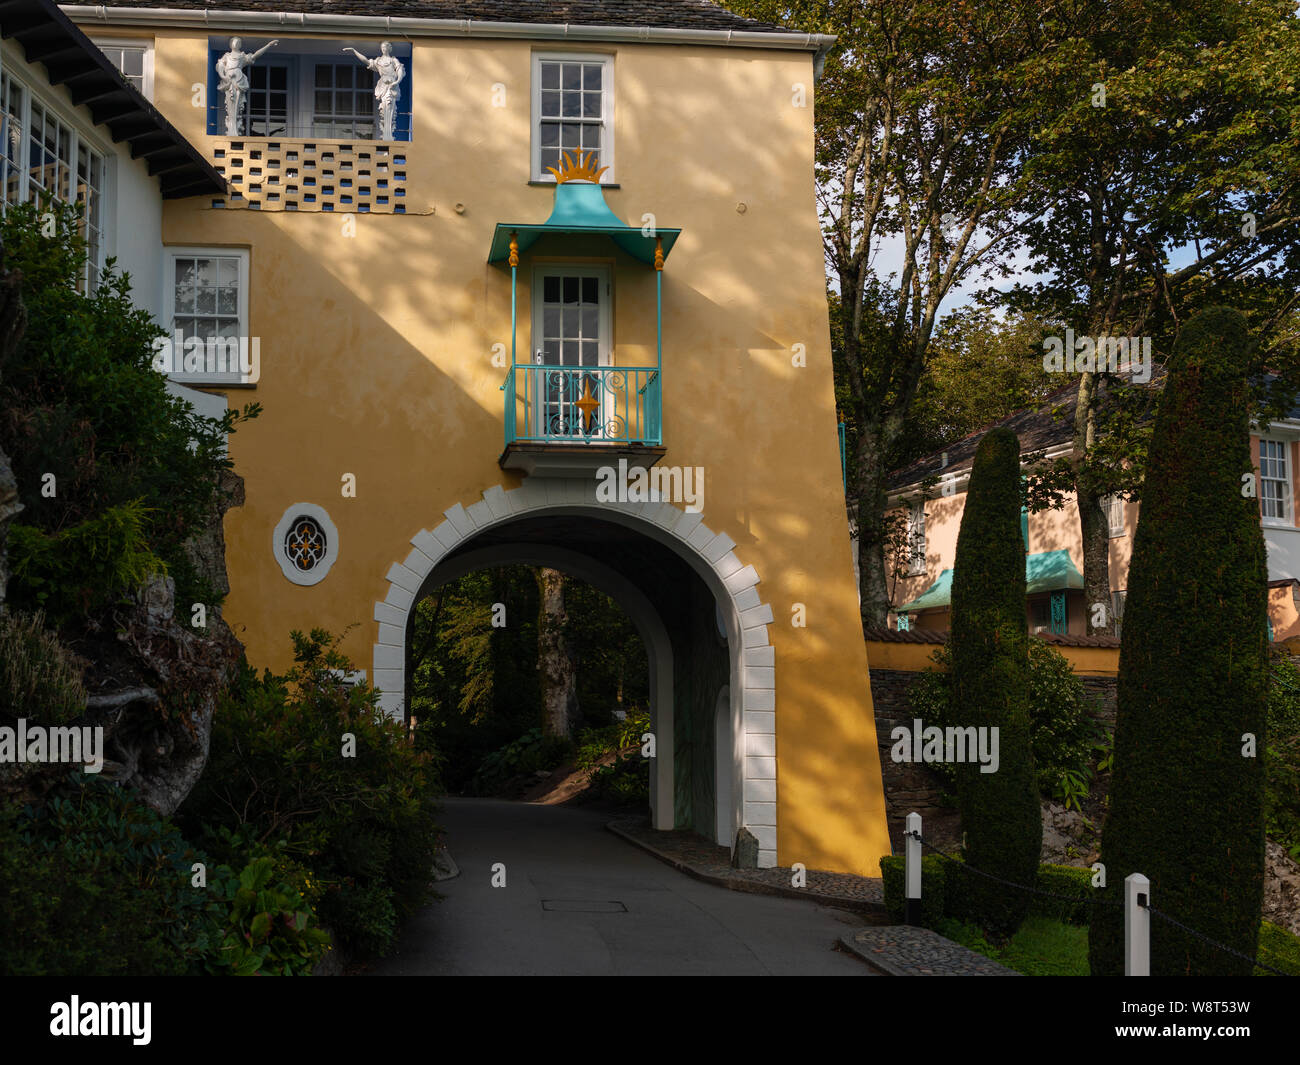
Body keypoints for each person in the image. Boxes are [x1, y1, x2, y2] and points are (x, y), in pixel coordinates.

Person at [216, 37, 279, 136]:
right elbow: (220, 66)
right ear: (230, 43)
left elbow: (254, 56)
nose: (236, 43)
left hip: (238, 80)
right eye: (234, 41)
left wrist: (268, 45)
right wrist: (223, 76)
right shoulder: (226, 56)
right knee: (229, 103)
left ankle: (234, 130)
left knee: (237, 103)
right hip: (228, 81)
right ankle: (232, 129)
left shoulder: (242, 56)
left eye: (238, 42)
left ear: (240, 45)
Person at [343, 42, 405, 141]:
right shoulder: (378, 61)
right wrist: (354, 51)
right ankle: (387, 137)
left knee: (389, 105)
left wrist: (397, 81)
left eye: (386, 47)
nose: (384, 48)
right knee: (385, 106)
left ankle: (388, 136)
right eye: (382, 47)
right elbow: (366, 61)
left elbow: (400, 70)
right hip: (383, 84)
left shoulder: (393, 60)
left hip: (391, 84)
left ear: (390, 48)